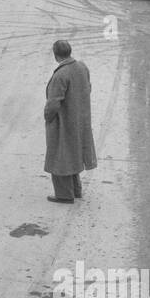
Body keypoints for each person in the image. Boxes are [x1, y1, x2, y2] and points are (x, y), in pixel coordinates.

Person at [43, 40, 96, 203]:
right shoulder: (82, 67)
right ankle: (76, 190)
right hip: (79, 118)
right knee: (73, 152)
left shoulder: (61, 75)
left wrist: (48, 117)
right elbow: (88, 87)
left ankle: (64, 195)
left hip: (64, 121)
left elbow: (53, 103)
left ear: (55, 54)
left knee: (60, 155)